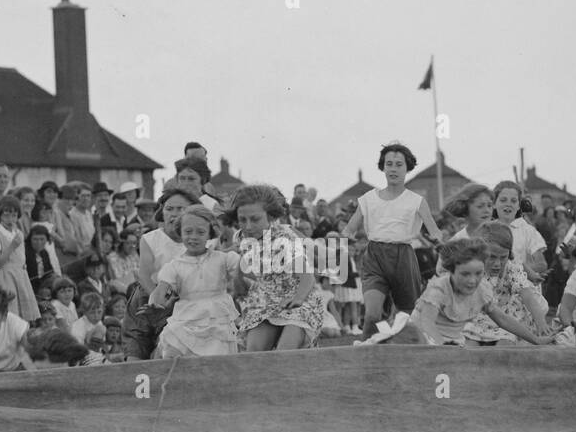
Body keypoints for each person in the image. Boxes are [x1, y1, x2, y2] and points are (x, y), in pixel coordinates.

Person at [341, 143, 442, 333]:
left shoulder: (417, 201)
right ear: (383, 167)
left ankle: (403, 352)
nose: (393, 169)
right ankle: (369, 354)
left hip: (403, 257)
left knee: (408, 315)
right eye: (389, 164)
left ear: (407, 168)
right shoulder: (368, 199)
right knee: (372, 315)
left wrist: (443, 244)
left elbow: (435, 232)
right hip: (374, 257)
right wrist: (342, 239)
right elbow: (349, 230)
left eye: (398, 164)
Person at [232, 184, 325, 350]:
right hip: (267, 302)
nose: (248, 226)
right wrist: (238, 278)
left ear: (270, 217)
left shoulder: (284, 237)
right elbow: (244, 262)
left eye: (255, 219)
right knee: (254, 351)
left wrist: (297, 299)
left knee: (285, 350)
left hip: (299, 299)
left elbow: (307, 278)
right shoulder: (242, 237)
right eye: (242, 220)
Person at [410, 240, 555, 346]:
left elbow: (502, 319)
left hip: (452, 341)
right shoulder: (439, 289)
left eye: (478, 273)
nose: (472, 280)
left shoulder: (480, 290)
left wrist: (535, 339)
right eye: (465, 274)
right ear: (451, 271)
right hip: (422, 339)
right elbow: (427, 323)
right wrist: (444, 347)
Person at [147, 206, 241, 357]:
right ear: (180, 232)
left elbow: (242, 275)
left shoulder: (223, 259)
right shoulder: (174, 266)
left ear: (210, 233)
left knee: (216, 363)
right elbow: (161, 290)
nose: (194, 237)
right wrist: (155, 302)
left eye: (200, 232)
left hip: (216, 322)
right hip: (185, 321)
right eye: (188, 232)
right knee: (173, 350)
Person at [123, 189, 196, 360]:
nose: (174, 214)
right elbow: (144, 275)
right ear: (162, 212)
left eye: (181, 209)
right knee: (135, 355)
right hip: (148, 298)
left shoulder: (196, 241)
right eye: (169, 209)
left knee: (165, 356)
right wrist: (157, 301)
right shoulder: (150, 239)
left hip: (179, 304)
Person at [463, 222, 550, 345]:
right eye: (492, 257)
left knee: (505, 343)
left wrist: (540, 322)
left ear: (509, 254)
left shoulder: (511, 268)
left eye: (503, 257)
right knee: (470, 342)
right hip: (481, 315)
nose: (497, 264)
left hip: (508, 314)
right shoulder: (473, 272)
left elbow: (527, 296)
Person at [0, 196, 39, 321]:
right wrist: (11, 246)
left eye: (14, 215)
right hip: (5, 279)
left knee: (25, 318)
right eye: (6, 215)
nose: (10, 219)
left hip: (21, 277)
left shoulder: (18, 233)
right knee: (10, 316)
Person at [491, 181, 549, 282]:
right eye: (503, 200)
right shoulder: (487, 229)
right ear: (494, 204)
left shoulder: (528, 231)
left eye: (513, 201)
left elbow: (542, 264)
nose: (508, 204)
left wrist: (515, 269)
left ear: (518, 206)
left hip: (521, 292)